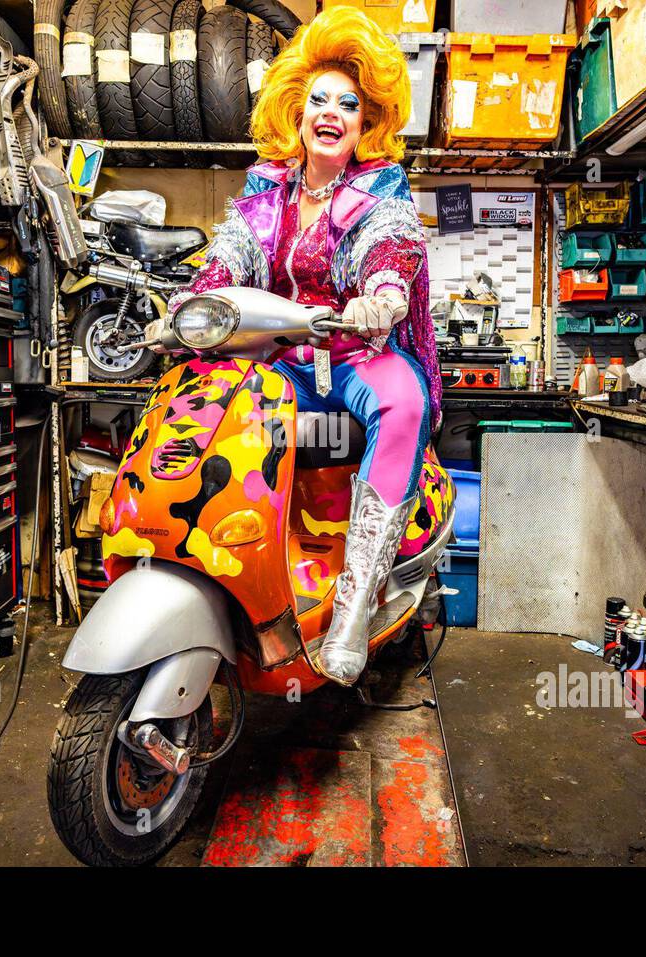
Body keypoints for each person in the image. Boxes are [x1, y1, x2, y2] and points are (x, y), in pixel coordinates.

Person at [163, 7, 439, 686]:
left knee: (403, 402)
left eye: (349, 104)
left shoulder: (379, 187)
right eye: (319, 98)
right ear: (297, 108)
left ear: (364, 121)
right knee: (204, 394)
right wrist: (196, 297)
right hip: (280, 353)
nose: (332, 113)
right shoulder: (269, 185)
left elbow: (392, 240)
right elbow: (231, 249)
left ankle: (353, 601)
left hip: (353, 349)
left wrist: (383, 289)